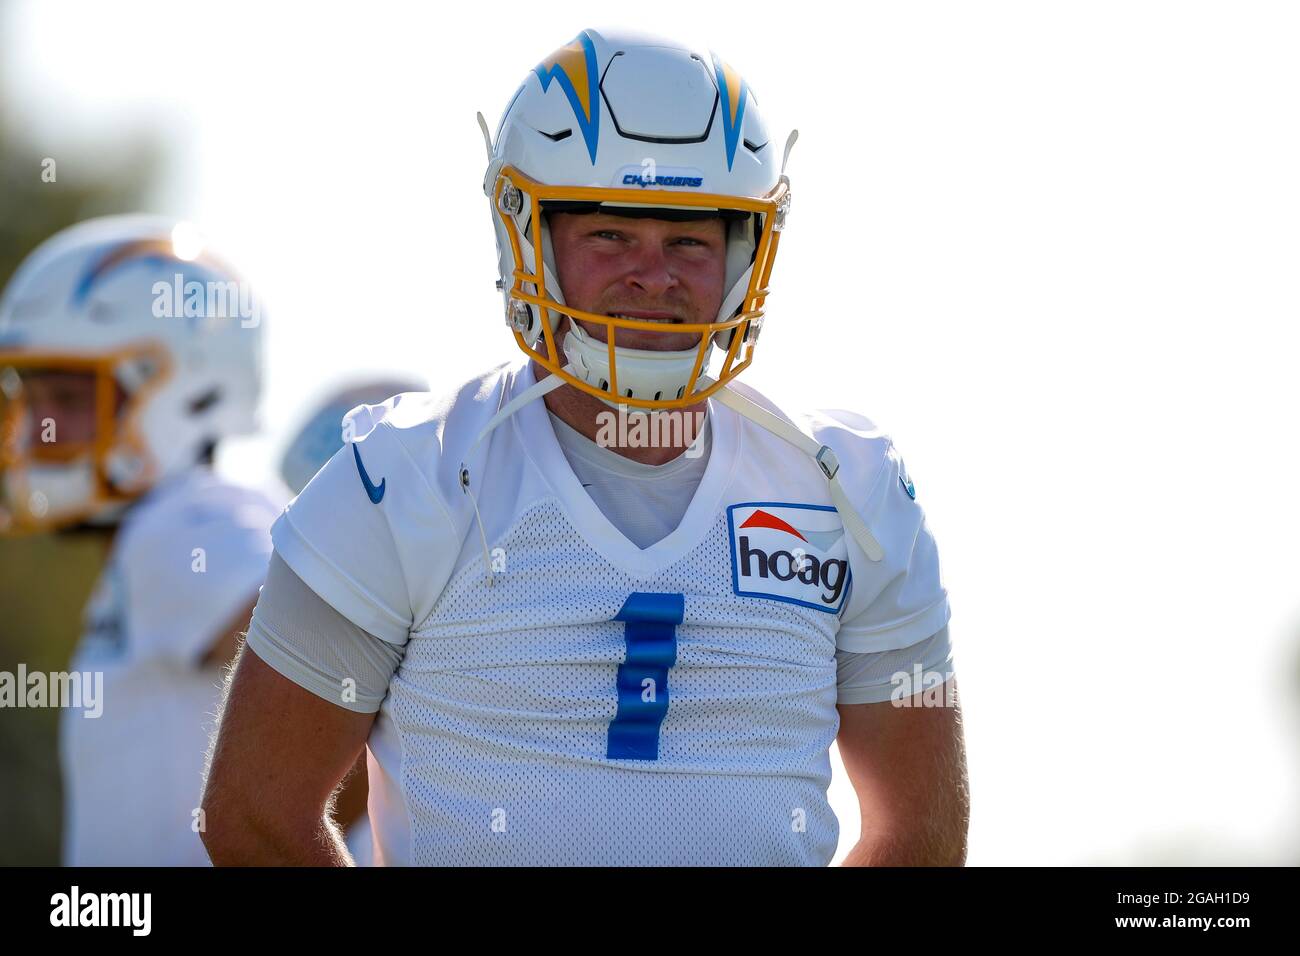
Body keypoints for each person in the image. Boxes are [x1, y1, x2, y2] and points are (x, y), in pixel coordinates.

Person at [203, 27, 968, 866]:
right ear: (526, 236)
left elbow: (918, 838)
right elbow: (257, 815)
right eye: (610, 235)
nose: (654, 275)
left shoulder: (849, 489)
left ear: (745, 257)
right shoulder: (405, 477)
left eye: (690, 240)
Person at [0, 215, 280, 865]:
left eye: (69, 397)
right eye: (32, 396)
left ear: (191, 392)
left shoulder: (183, 524)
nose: (36, 429)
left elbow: (341, 652)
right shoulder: (167, 528)